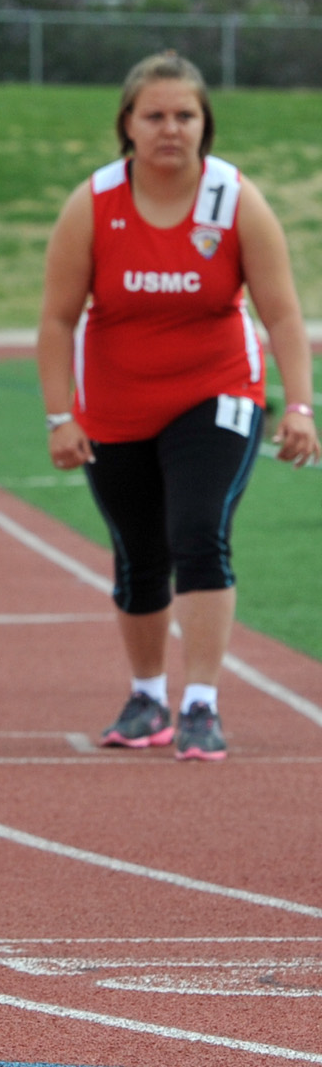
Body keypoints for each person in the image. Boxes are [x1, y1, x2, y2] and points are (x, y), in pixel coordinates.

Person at [38, 51, 317, 761]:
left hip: (217, 390)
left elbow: (282, 315)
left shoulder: (233, 198)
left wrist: (301, 407)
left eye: (185, 116)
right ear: (127, 125)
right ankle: (146, 696)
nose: (171, 129)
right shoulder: (95, 203)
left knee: (198, 529)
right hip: (118, 400)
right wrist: (58, 414)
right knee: (139, 554)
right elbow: (57, 319)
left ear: (205, 124)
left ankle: (201, 702)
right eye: (155, 115)